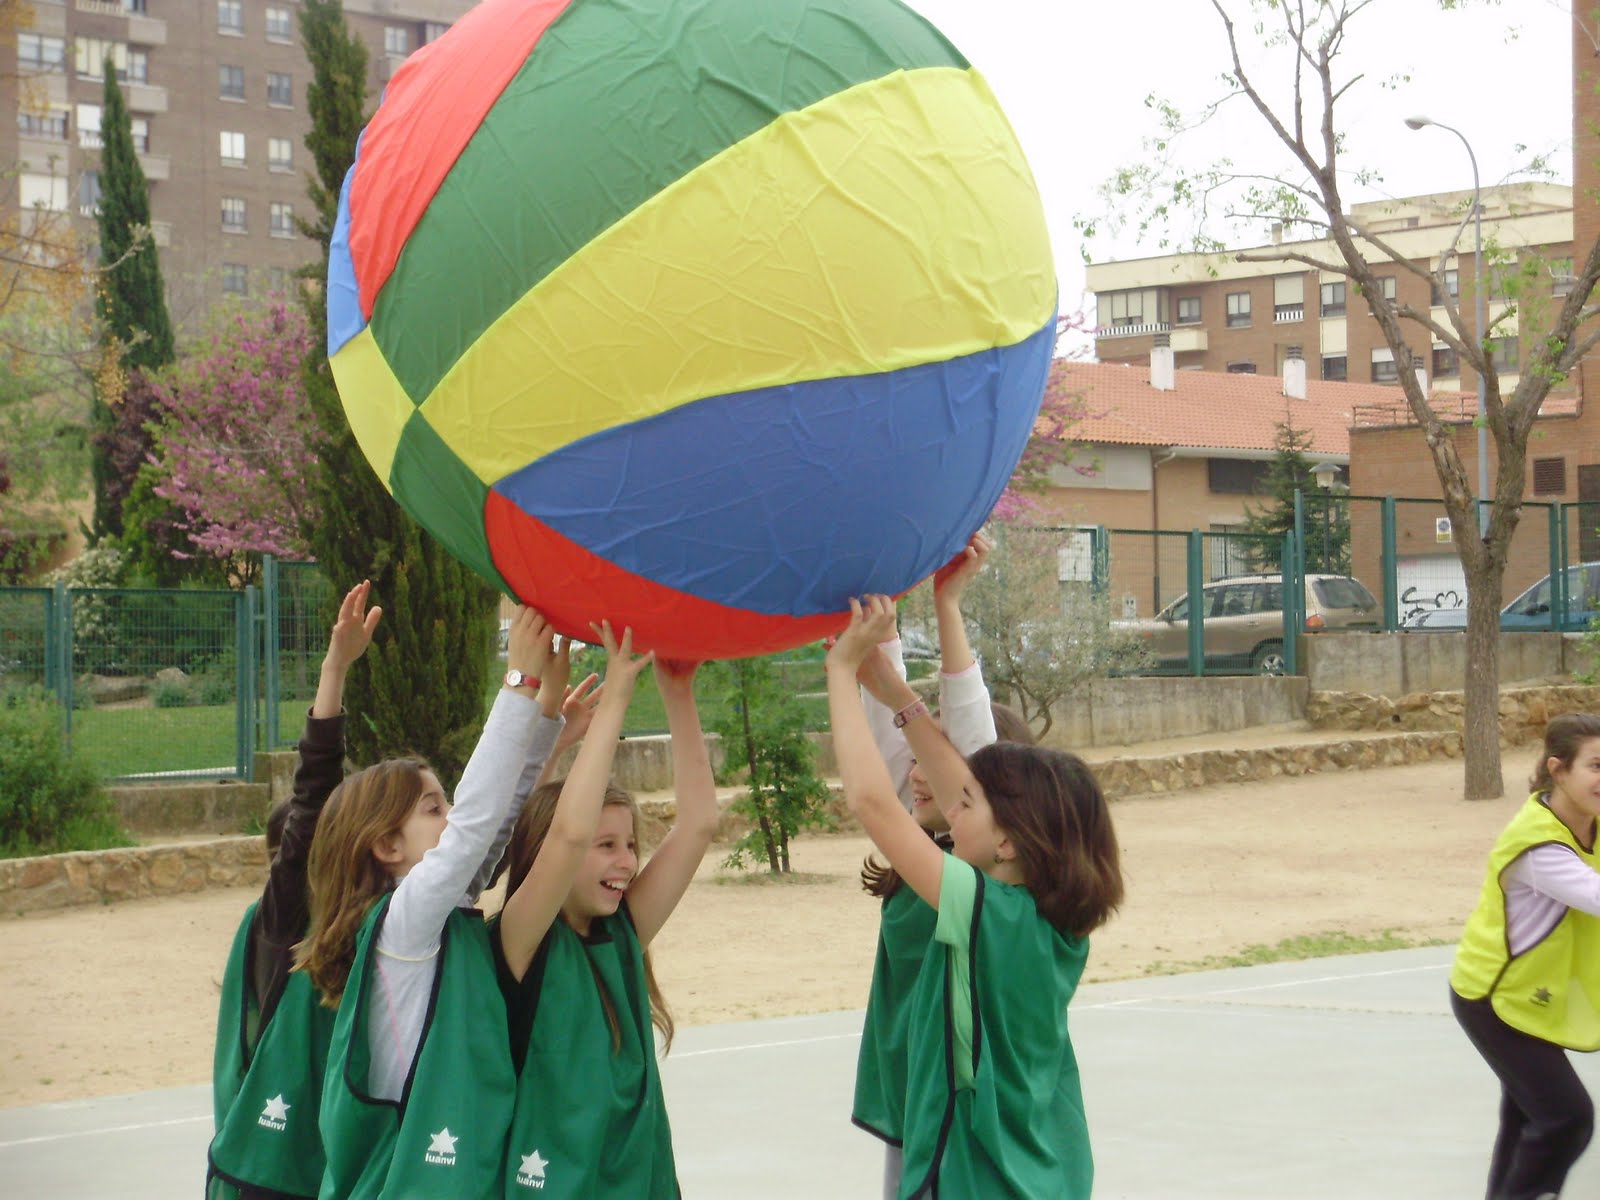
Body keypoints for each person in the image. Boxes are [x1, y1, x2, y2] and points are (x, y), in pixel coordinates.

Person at [827, 594, 1123, 1200]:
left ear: (1011, 841)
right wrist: (893, 695)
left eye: (967, 804)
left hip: (982, 1180)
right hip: (1048, 1175)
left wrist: (839, 670)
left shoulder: (984, 908)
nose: (947, 807)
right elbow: (961, 774)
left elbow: (871, 802)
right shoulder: (1055, 924)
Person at [296, 607, 562, 1200]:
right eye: (434, 808)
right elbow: (475, 826)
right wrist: (517, 684)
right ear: (389, 846)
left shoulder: (436, 920)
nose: (451, 816)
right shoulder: (402, 926)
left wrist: (546, 714)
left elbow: (492, 828)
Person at [490, 654, 716, 1199]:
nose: (627, 862)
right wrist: (615, 696)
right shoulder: (522, 941)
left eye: (631, 845)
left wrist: (677, 692)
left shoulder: (622, 935)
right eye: (607, 846)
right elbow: (564, 833)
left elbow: (700, 823)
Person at [850, 534, 1026, 1198]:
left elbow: (975, 759)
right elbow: (890, 736)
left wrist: (948, 609)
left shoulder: (979, 877)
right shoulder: (925, 850)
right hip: (911, 1096)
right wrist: (884, 613)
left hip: (960, 1113)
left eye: (940, 762)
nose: (920, 776)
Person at [207, 580, 381, 1200]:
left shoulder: (368, 919)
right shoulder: (283, 922)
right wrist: (334, 667)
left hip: (331, 1169)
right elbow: (313, 794)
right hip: (272, 1176)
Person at [1451, 712, 1600, 1200]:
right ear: (1558, 770)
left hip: (1532, 993)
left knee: (1528, 1119)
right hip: (1493, 999)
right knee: (1565, 1118)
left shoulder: (1589, 822)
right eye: (1596, 766)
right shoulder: (1540, 847)